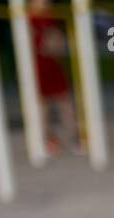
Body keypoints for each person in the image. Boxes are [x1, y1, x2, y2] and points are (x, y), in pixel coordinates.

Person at [29, 0, 80, 155]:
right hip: (37, 69)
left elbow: (56, 45)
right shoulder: (28, 19)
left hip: (53, 67)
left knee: (66, 105)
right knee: (41, 109)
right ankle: (47, 141)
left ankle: (74, 139)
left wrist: (56, 42)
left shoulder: (51, 18)